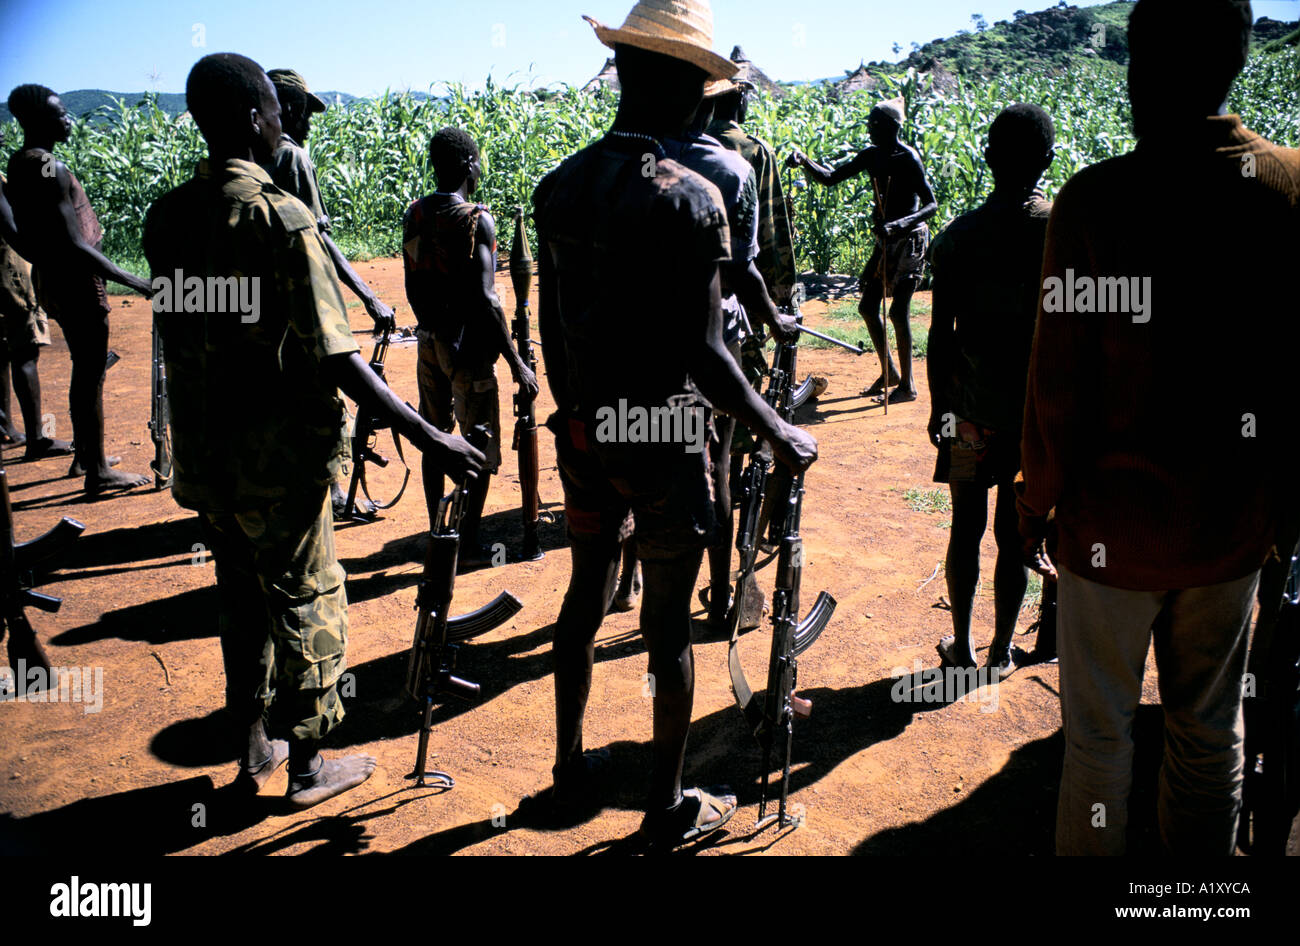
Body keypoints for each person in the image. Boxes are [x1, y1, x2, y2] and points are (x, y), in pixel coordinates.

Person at [143, 52, 485, 808]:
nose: (277, 121)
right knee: (307, 599)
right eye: (269, 108)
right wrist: (434, 437)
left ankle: (249, 745)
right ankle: (307, 766)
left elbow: (185, 328)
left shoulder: (167, 217)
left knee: (239, 599)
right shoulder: (277, 218)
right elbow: (336, 357)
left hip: (208, 456)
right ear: (246, 118)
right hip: (278, 458)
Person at [1017, 0, 1300, 855]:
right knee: (1208, 737)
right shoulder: (1287, 187)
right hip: (1230, 532)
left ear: (1138, 70)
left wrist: (1036, 502)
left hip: (1112, 536)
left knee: (1098, 744)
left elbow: (1058, 385)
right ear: (1234, 64)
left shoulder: (1096, 202)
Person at [534, 0, 817, 848]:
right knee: (664, 629)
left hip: (584, 431)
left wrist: (574, 412)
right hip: (661, 439)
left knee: (584, 595)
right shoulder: (691, 200)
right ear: (693, 93)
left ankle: (568, 761)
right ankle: (666, 804)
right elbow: (707, 357)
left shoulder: (560, 186)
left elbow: (550, 327)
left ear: (622, 75)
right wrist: (778, 431)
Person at [615, 76, 800, 631]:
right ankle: (721, 593)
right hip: (712, 337)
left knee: (636, 460)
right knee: (717, 467)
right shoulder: (737, 164)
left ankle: (628, 581)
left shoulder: (636, 159)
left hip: (640, 341)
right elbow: (752, 262)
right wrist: (777, 314)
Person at [926, 104, 1056, 674]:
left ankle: (963, 646)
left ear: (986, 158)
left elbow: (939, 334)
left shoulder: (958, 238)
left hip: (969, 414)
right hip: (1035, 417)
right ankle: (1003, 649)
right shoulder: (1060, 232)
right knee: (1014, 533)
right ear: (1048, 161)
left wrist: (938, 406)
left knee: (966, 527)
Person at [263, 68, 397, 521]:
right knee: (319, 391)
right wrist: (367, 296)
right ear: (283, 108)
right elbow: (318, 239)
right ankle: (332, 492)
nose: (307, 121)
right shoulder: (292, 158)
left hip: (260, 304)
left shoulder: (244, 158)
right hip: (301, 298)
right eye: (302, 111)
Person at [5, 84, 154, 491]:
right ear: (37, 121)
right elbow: (73, 243)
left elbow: (19, 233)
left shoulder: (19, 165)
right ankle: (98, 473)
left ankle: (88, 458)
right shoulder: (50, 169)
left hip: (55, 278)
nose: (68, 118)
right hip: (78, 282)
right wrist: (134, 280)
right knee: (90, 374)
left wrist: (43, 260)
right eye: (60, 113)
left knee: (85, 371)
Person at [403, 127, 539, 563]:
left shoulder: (416, 213)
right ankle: (469, 538)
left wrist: (432, 328)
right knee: (478, 444)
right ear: (467, 165)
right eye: (477, 161)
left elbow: (411, 283)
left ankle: (436, 533)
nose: (480, 168)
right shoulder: (477, 219)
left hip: (428, 344)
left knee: (433, 435)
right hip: (470, 354)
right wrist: (517, 362)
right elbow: (486, 298)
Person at [790, 97, 937, 404]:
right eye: (870, 124)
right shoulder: (871, 155)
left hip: (909, 239)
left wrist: (899, 224)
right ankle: (891, 373)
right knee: (869, 307)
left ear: (892, 127)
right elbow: (830, 178)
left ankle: (908, 386)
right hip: (885, 241)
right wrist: (804, 160)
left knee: (898, 311)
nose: (870, 129)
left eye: (875, 124)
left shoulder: (908, 158)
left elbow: (931, 204)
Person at [0, 146, 67, 457]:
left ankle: (6, 426)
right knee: (25, 350)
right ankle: (37, 439)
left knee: (6, 350)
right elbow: (13, 231)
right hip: (11, 272)